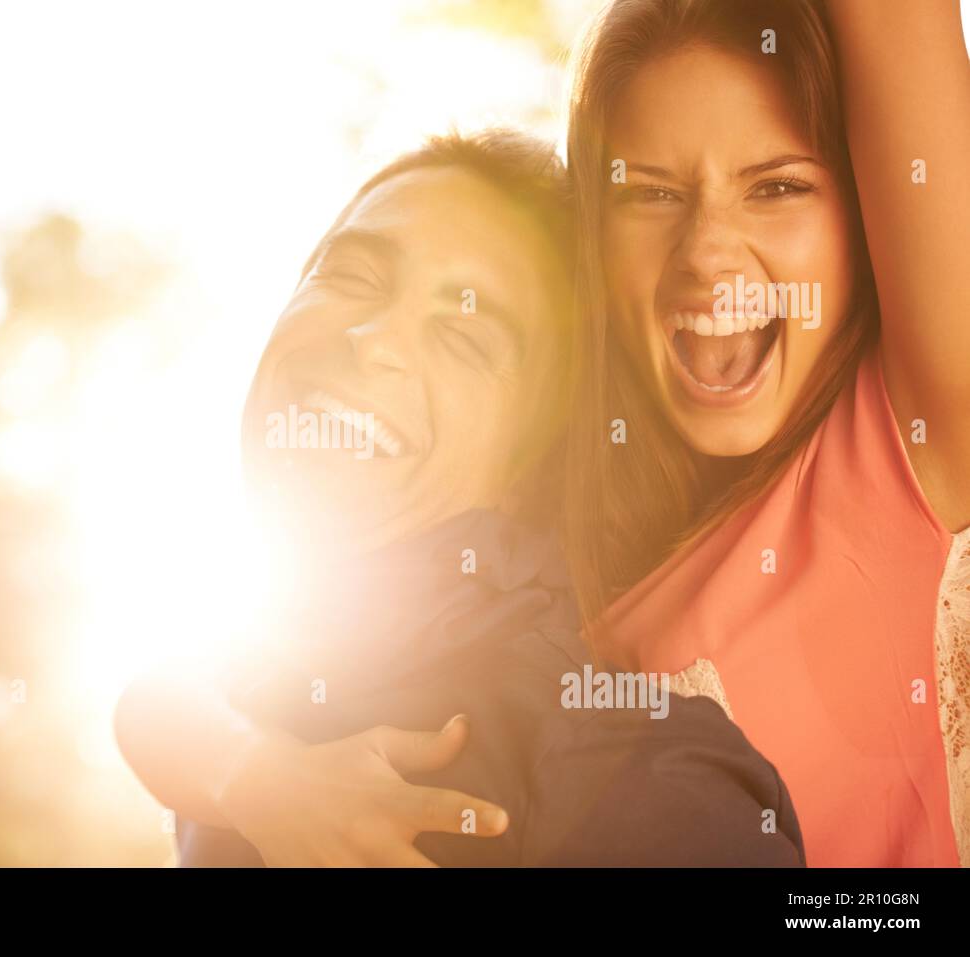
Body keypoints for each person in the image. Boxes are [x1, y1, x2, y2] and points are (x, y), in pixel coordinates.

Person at [114, 130, 804, 866]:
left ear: (532, 466)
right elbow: (157, 698)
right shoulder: (259, 668)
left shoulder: (627, 771)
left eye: (466, 337)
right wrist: (247, 774)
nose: (372, 339)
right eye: (353, 276)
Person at [561, 0, 970, 865]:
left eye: (778, 186)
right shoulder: (554, 579)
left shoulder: (918, 442)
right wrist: (246, 772)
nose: (706, 252)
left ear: (868, 223)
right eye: (650, 193)